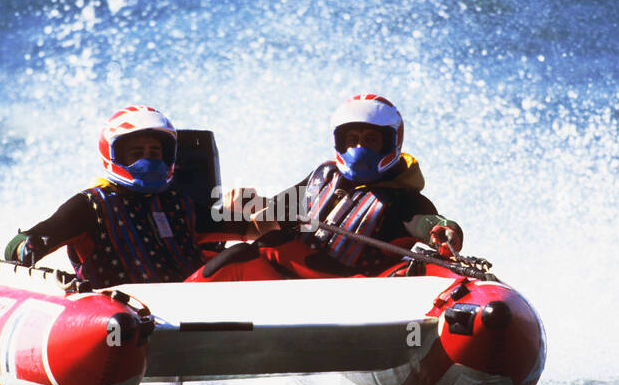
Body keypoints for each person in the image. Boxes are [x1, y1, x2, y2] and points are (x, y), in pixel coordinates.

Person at [187, 94, 463, 282]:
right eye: (352, 140)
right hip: (296, 287)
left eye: (370, 140)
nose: (359, 149)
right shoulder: (323, 177)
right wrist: (253, 204)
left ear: (392, 142)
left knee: (267, 247)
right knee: (236, 253)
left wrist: (443, 232)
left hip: (358, 297)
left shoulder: (404, 200)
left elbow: (428, 224)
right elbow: (267, 226)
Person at [5, 105, 258, 287]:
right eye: (137, 152)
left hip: (190, 305)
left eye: (155, 152)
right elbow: (19, 244)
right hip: (126, 315)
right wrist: (27, 247)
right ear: (115, 156)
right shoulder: (90, 205)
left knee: (265, 247)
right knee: (237, 258)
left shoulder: (179, 204)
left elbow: (253, 228)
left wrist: (267, 208)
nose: (148, 159)